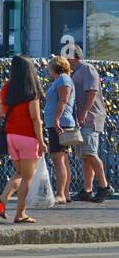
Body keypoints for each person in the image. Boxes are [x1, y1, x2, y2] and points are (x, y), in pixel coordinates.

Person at [0, 55, 48, 224]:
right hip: (28, 138)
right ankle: (20, 214)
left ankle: (3, 198)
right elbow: (36, 119)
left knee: (20, 173)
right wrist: (41, 141)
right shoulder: (31, 90)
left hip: (11, 137)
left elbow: (1, 112)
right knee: (28, 177)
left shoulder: (6, 88)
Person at [69, 52, 112, 202]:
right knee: (85, 156)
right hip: (83, 118)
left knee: (90, 152)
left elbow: (92, 91)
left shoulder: (87, 68)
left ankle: (104, 186)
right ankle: (87, 190)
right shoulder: (77, 71)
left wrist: (84, 112)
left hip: (90, 118)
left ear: (73, 56)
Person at [43, 55, 76, 204]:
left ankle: (61, 193)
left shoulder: (63, 79)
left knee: (58, 160)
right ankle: (66, 193)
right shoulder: (60, 80)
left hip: (59, 123)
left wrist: (56, 119)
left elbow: (63, 100)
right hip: (57, 123)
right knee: (63, 159)